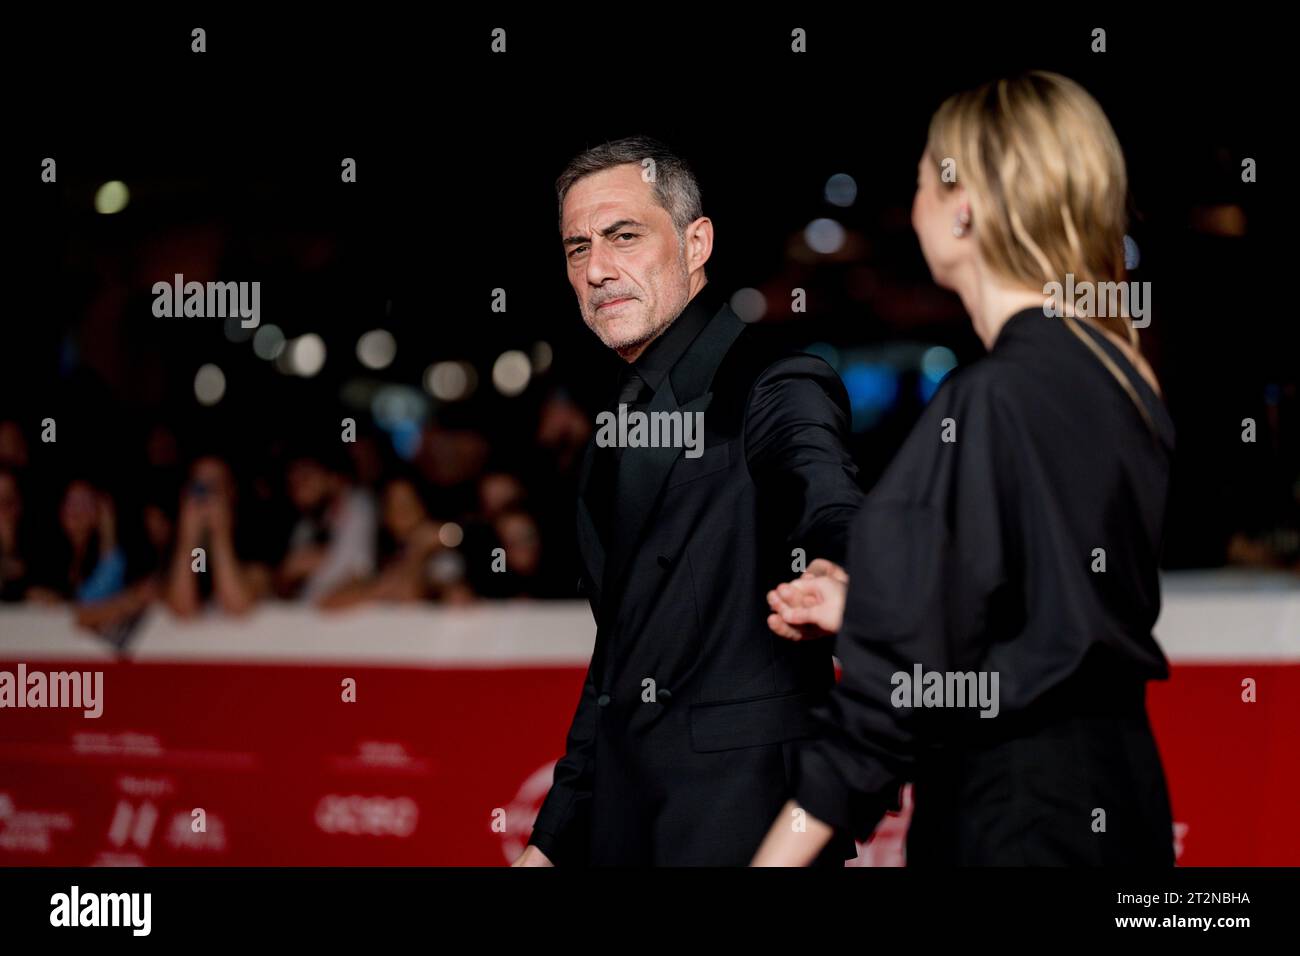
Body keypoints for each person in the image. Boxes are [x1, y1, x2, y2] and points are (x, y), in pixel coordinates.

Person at [753, 72, 1176, 866]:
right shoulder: (1121, 378)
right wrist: (876, 608)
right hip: (1124, 807)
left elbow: (885, 711)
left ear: (964, 206)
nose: (910, 204)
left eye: (920, 178)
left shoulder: (990, 400)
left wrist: (773, 858)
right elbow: (1036, 618)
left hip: (1013, 819)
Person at [515, 136, 864, 866]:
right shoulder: (613, 422)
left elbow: (827, 497)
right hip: (624, 822)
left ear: (696, 241)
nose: (598, 269)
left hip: (749, 823)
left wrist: (838, 567)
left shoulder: (775, 380)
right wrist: (550, 844)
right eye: (577, 248)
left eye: (624, 236)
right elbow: (618, 664)